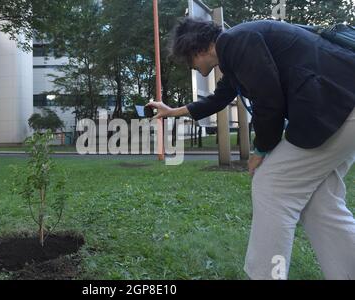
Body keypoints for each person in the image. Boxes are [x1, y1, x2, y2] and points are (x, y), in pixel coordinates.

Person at [146, 18, 355, 279]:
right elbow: (220, 97)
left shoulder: (236, 42)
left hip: (338, 106)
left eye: (188, 60)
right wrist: (173, 111)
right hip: (342, 106)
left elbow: (269, 100)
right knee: (321, 203)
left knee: (271, 184)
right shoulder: (236, 50)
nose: (190, 66)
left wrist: (261, 150)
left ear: (196, 50)